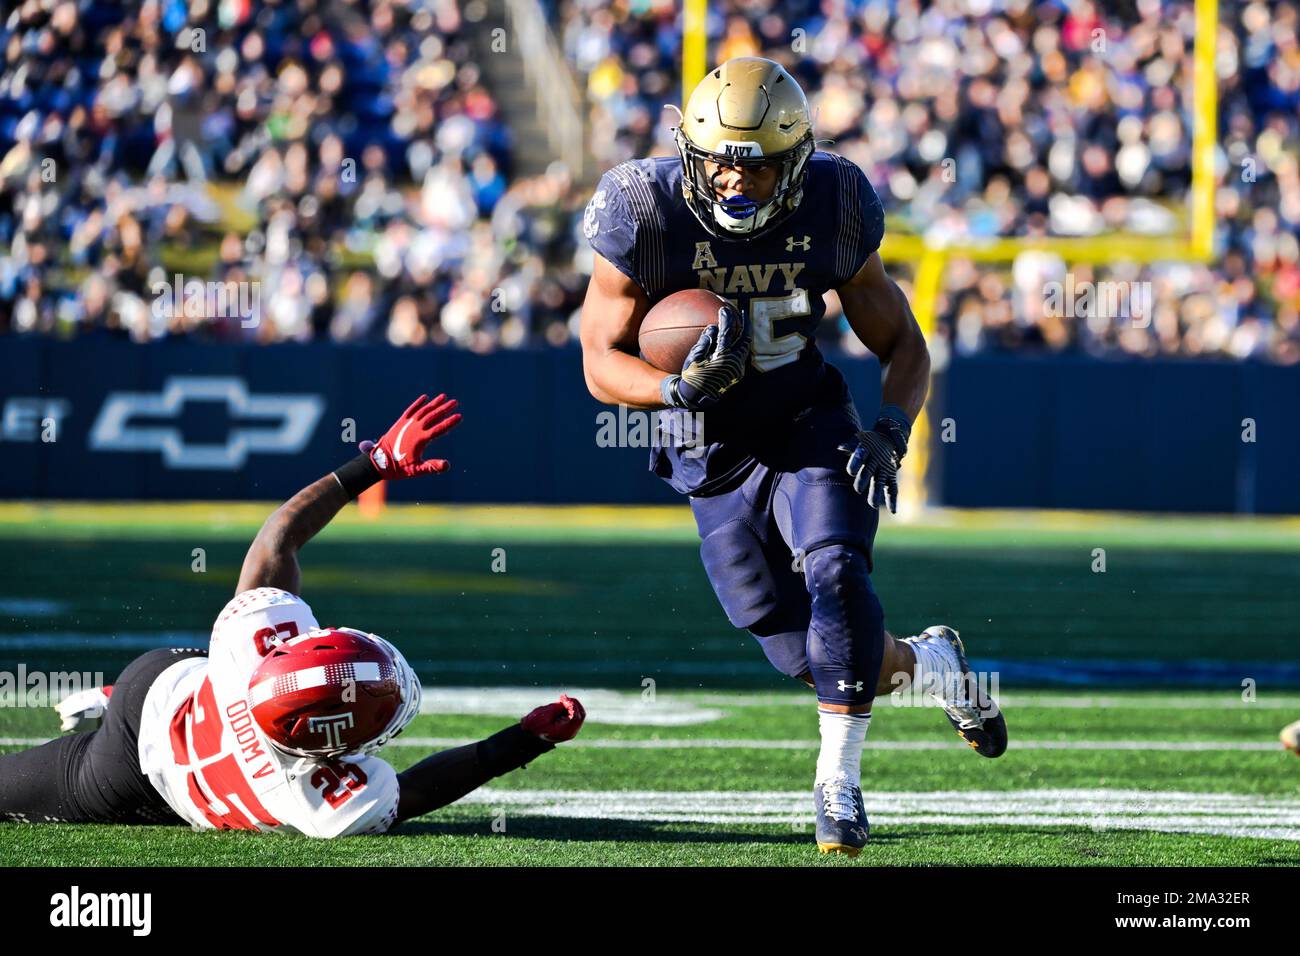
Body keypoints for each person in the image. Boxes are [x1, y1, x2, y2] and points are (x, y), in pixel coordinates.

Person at [578, 57, 1005, 856]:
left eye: (757, 166)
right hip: (709, 446)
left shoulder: (835, 197)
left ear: (796, 159)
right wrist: (673, 392)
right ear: (690, 153)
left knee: (837, 570)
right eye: (718, 165)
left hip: (808, 417)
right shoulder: (643, 205)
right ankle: (936, 666)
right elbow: (599, 360)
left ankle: (837, 788)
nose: (735, 184)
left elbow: (903, 342)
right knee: (805, 649)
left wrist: (890, 430)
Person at [0, 393, 585, 836]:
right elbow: (412, 793)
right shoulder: (309, 793)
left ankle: (108, 695)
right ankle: (106, 700)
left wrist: (374, 463)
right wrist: (524, 739)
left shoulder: (248, 641)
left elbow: (278, 537)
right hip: (140, 777)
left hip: (161, 683)